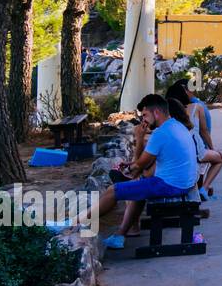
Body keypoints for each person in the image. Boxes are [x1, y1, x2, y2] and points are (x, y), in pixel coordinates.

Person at [50, 94, 199, 248]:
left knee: (112, 190)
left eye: (145, 115)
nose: (144, 120)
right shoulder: (176, 125)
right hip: (184, 182)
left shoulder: (160, 134)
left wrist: (138, 140)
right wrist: (134, 165)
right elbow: (142, 165)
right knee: (139, 188)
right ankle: (121, 235)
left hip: (170, 185)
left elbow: (137, 167)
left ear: (156, 113)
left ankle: (71, 223)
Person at [168, 81, 222, 198]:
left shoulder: (169, 112)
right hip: (197, 150)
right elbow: (204, 131)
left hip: (178, 151)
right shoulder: (197, 107)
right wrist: (213, 148)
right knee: (220, 159)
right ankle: (204, 188)